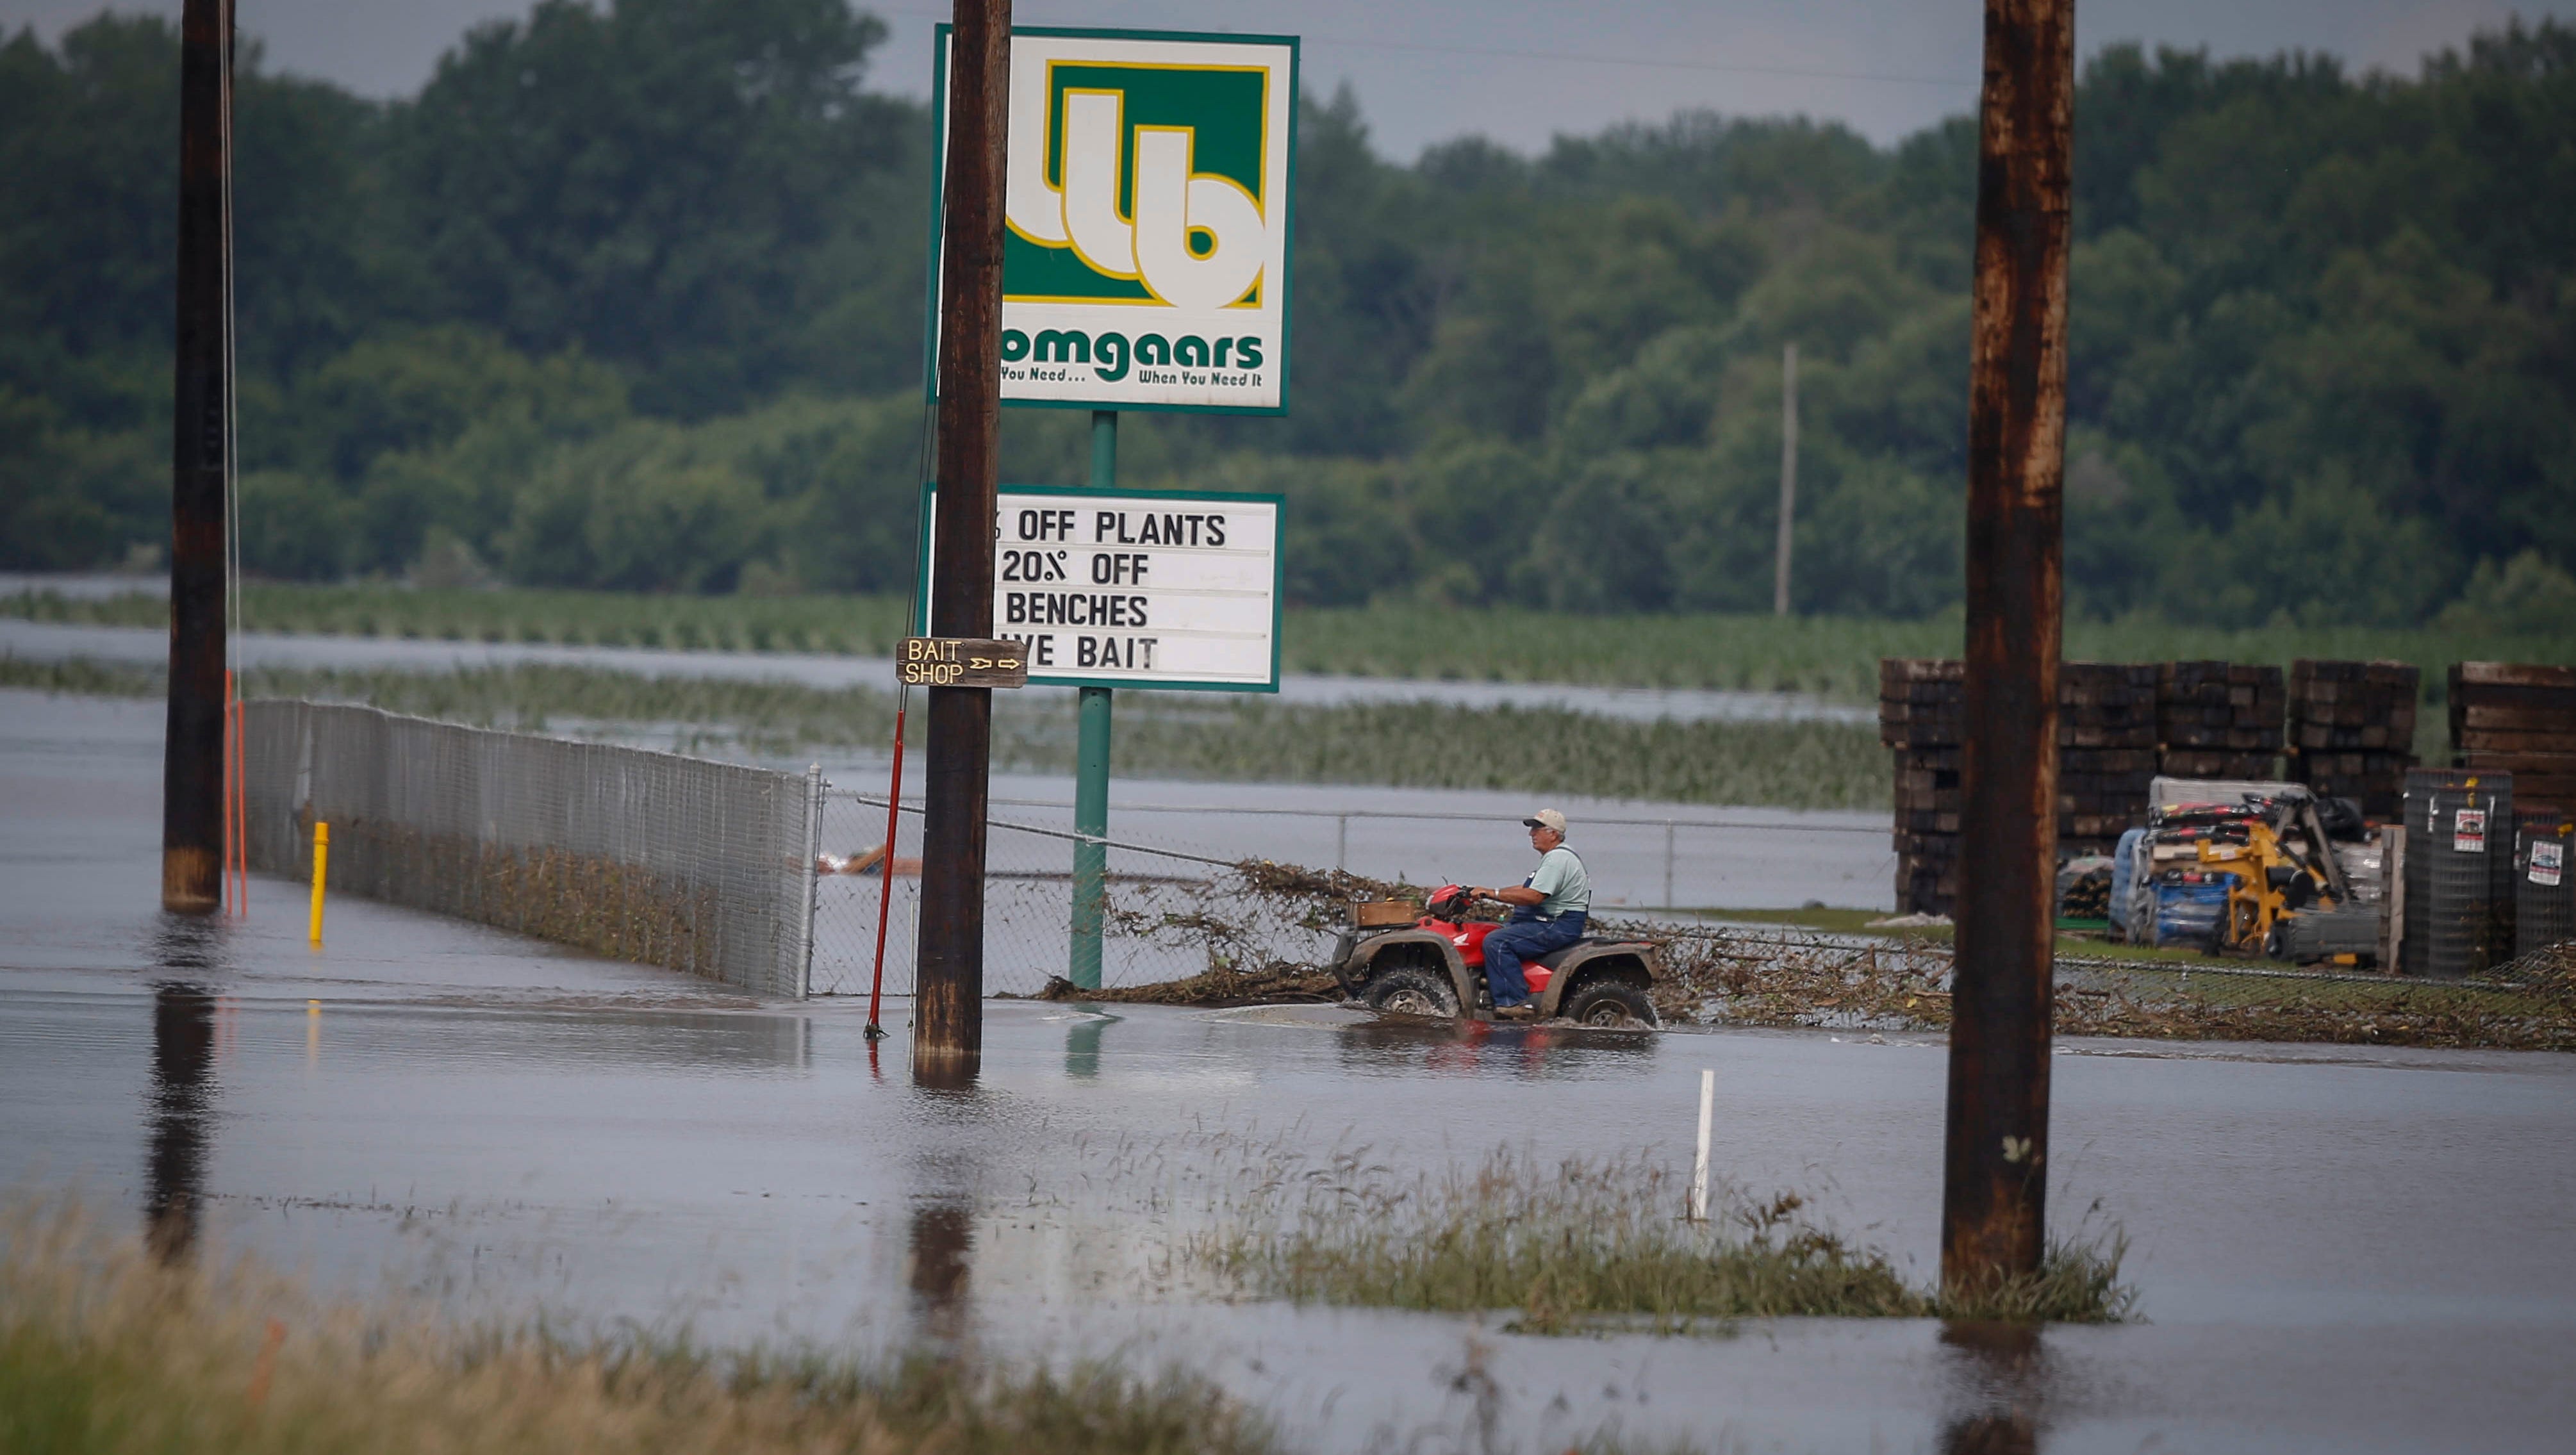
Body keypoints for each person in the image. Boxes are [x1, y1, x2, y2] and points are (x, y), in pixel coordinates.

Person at [1472, 809, 1590, 1018]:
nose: (1531, 834)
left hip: (1558, 924)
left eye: (1537, 829)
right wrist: (1486, 892)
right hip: (1551, 920)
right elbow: (1526, 889)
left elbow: (1534, 897)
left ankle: (1514, 1003)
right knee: (1489, 930)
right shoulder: (1557, 857)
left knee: (1497, 942)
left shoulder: (1557, 860)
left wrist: (1492, 893)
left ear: (1553, 834)